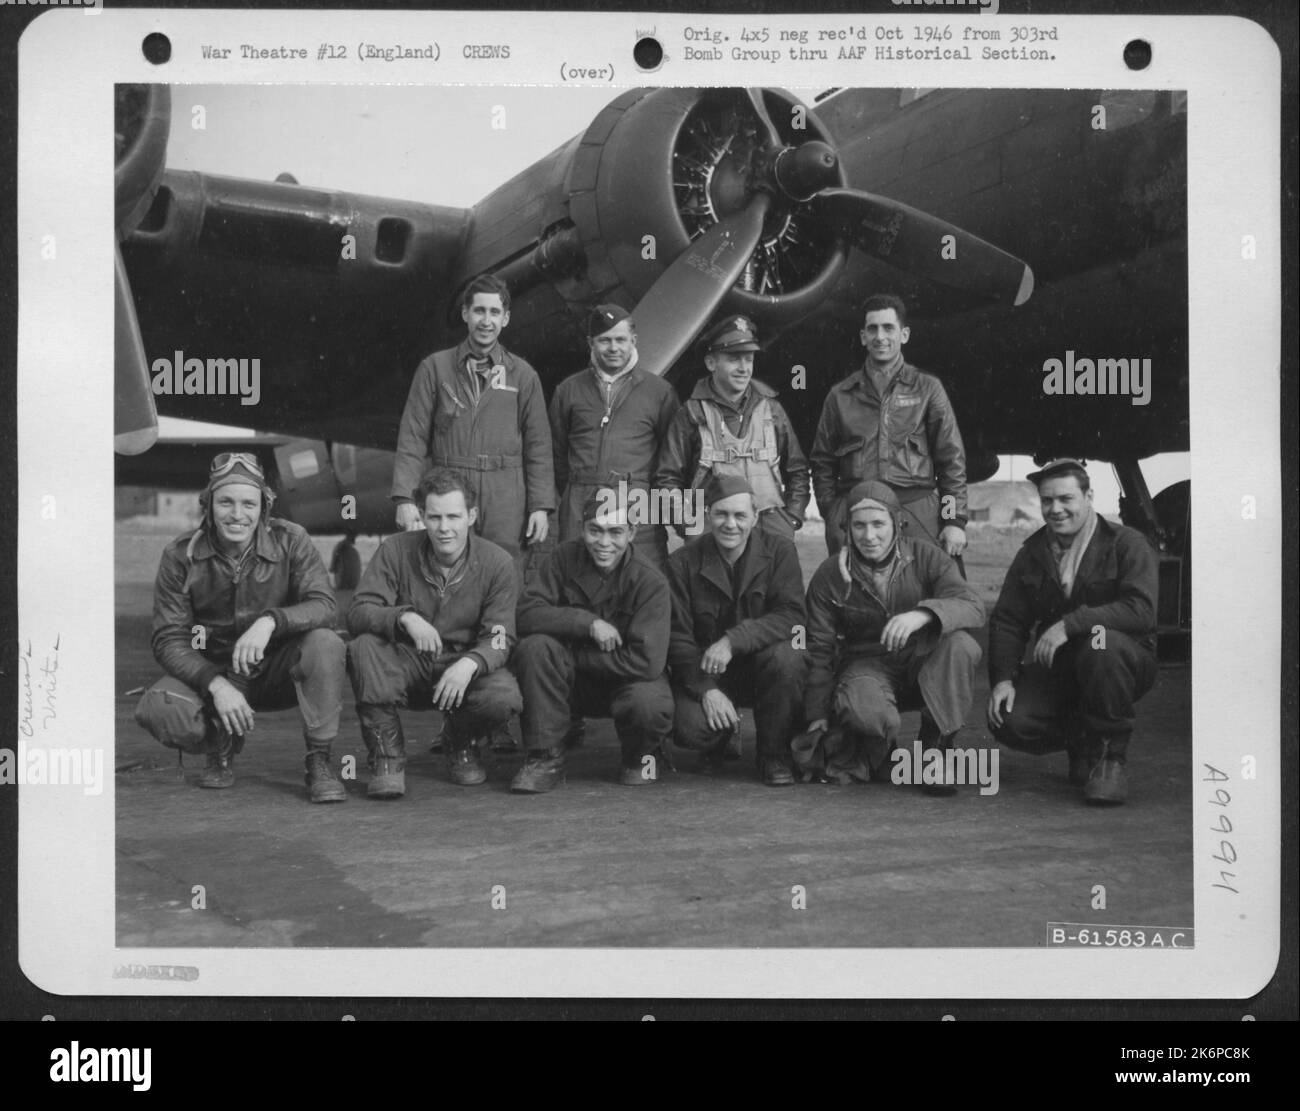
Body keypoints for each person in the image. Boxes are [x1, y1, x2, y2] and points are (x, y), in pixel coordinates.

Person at [134, 452, 348, 803]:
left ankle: (320, 759)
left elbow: (325, 606)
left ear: (263, 508)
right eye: (226, 502)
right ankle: (219, 742)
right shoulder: (179, 556)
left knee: (326, 643)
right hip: (214, 671)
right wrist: (215, 684)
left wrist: (271, 621)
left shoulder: (291, 540)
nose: (237, 514)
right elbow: (168, 639)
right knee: (158, 707)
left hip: (274, 670)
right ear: (209, 505)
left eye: (248, 504)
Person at [986, 459, 1158, 805]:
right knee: (1009, 719)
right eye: (1047, 500)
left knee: (1101, 643)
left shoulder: (1126, 544)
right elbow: (1008, 620)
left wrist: (1071, 623)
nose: (1056, 509)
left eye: (1066, 498)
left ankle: (1110, 760)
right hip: (1063, 667)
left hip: (1119, 661)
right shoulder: (1033, 553)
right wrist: (1003, 679)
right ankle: (1083, 742)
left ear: (1088, 496)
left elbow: (1141, 610)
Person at [347, 468, 523, 799]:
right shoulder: (395, 551)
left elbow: (500, 637)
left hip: (461, 668)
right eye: (435, 517)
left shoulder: (497, 562)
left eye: (454, 516)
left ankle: (459, 742)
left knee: (503, 697)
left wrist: (471, 662)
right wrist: (404, 618)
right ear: (423, 516)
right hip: (408, 662)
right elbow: (358, 612)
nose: (444, 528)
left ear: (471, 515)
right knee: (363, 648)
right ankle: (387, 758)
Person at [802, 480, 984, 792]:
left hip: (923, 662)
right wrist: (816, 714)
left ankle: (935, 749)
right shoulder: (829, 575)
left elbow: (973, 607)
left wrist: (924, 614)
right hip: (868, 667)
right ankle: (880, 748)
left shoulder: (928, 556)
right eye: (859, 525)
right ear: (847, 528)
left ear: (896, 523)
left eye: (878, 524)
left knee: (961, 645)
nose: (869, 535)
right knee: (863, 709)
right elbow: (818, 648)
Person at [509, 488, 674, 793]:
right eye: (595, 530)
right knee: (534, 648)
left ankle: (642, 755)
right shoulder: (562, 558)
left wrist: (573, 657)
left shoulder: (650, 581)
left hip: (627, 680)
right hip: (574, 681)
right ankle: (545, 756)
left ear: (632, 533)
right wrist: (586, 622)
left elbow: (647, 662)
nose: (604, 542)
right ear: (582, 527)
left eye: (616, 532)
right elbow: (526, 614)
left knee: (648, 702)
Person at [390, 274, 554, 562]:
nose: (486, 321)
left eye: (494, 312)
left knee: (503, 573)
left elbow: (538, 445)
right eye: (479, 311)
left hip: (504, 494)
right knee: (447, 571)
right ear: (465, 313)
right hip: (449, 486)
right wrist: (405, 498)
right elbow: (412, 437)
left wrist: (540, 505)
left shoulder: (524, 375)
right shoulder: (434, 369)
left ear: (506, 318)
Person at [666, 474, 807, 787]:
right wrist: (707, 690)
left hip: (761, 668)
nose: (730, 524)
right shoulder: (682, 563)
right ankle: (719, 737)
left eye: (740, 515)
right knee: (690, 728)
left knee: (790, 656)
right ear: (708, 515)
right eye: (721, 514)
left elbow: (793, 616)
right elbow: (677, 638)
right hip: (708, 672)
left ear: (755, 517)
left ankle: (774, 753)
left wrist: (733, 640)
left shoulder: (780, 551)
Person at [810, 293, 969, 560]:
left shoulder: (928, 388)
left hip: (917, 512)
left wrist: (953, 520)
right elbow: (822, 461)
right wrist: (834, 510)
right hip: (859, 513)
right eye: (872, 329)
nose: (880, 336)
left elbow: (951, 459)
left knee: (931, 593)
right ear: (863, 337)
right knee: (854, 595)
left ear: (904, 334)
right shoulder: (840, 395)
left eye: (888, 328)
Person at [656, 314, 810, 542]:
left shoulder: (772, 410)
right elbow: (667, 480)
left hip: (769, 532)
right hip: (712, 534)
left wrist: (792, 518)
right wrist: (690, 526)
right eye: (734, 359)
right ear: (711, 363)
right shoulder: (690, 414)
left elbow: (797, 470)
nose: (743, 368)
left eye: (748, 359)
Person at [549, 304, 679, 574]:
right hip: (581, 504)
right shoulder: (568, 390)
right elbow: (557, 455)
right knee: (576, 580)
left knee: (643, 581)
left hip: (637, 504)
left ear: (634, 341)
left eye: (620, 339)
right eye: (604, 340)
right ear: (590, 343)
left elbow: (671, 459)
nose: (613, 347)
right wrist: (577, 490)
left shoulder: (660, 392)